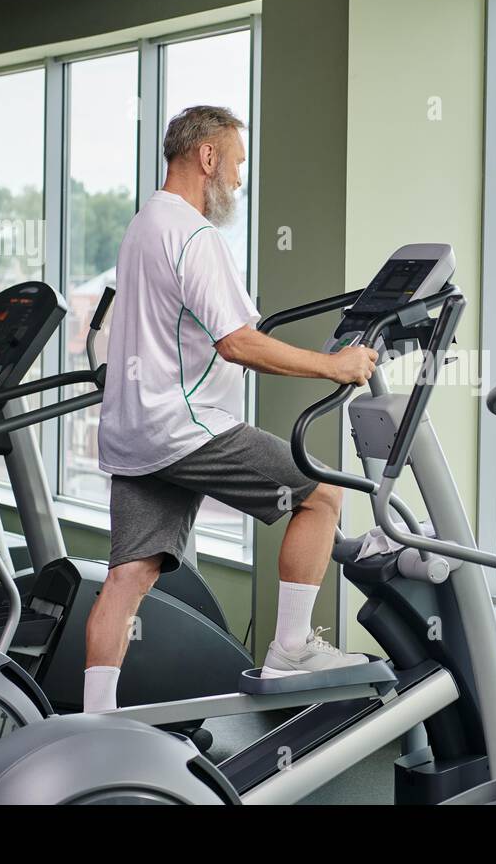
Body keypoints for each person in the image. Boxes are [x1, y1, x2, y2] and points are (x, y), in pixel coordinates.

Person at [84, 105, 378, 712]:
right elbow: (237, 342)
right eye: (238, 164)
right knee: (322, 495)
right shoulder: (196, 234)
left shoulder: (142, 225)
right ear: (208, 158)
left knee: (128, 577)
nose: (240, 181)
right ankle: (292, 647)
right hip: (187, 429)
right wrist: (335, 366)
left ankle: (93, 721)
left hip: (137, 433)